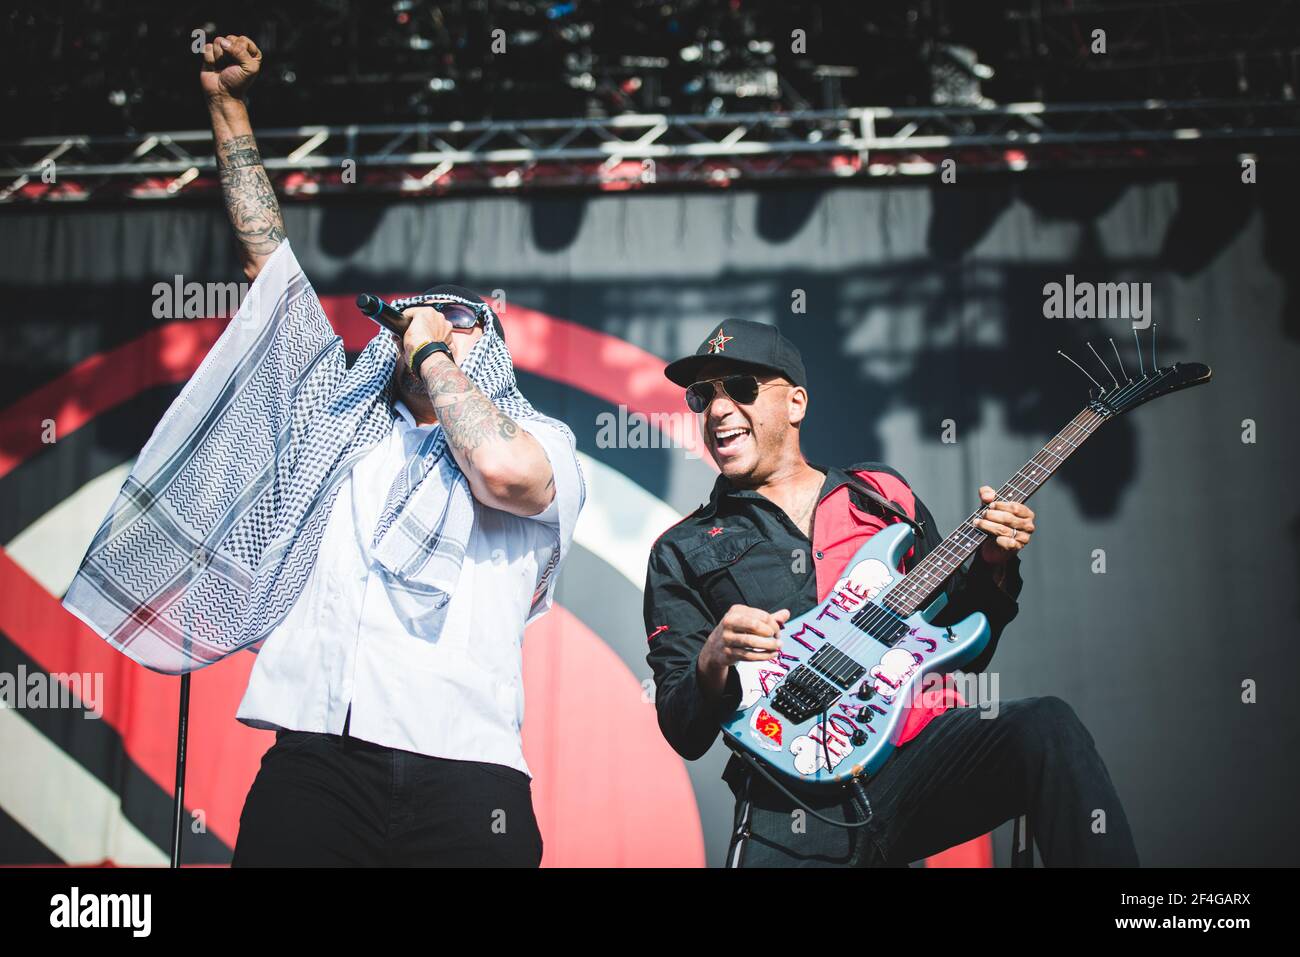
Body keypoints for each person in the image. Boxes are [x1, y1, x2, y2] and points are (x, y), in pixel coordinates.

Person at [65, 34, 585, 867]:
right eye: (416, 320)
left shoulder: (542, 441)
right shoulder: (338, 423)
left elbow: (498, 471)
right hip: (317, 760)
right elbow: (264, 255)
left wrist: (432, 351)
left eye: (457, 321)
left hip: (466, 773)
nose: (427, 327)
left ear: (483, 352)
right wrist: (227, 106)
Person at [643, 318, 1139, 867]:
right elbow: (681, 726)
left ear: (796, 403)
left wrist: (994, 568)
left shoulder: (882, 495)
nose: (716, 410)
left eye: (739, 388)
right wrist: (711, 659)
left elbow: (960, 636)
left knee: (1044, 725)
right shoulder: (680, 547)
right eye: (701, 395)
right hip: (790, 794)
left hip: (919, 761)